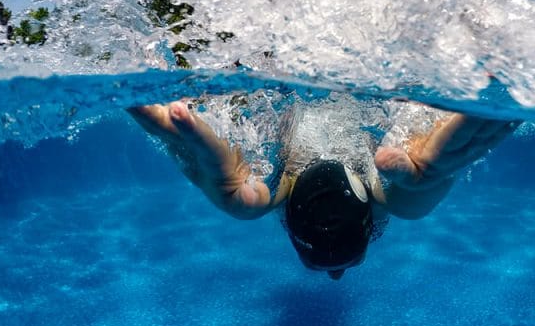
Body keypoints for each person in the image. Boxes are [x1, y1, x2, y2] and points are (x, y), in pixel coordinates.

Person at [129, 95, 515, 280]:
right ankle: (335, 265)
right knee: (407, 199)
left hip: (332, 215)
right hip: (365, 210)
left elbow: (254, 196)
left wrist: (185, 153)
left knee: (250, 203)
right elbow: (408, 198)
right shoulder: (383, 199)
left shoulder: (274, 187)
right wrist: (435, 175)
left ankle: (336, 265)